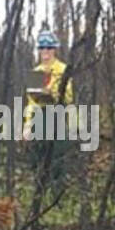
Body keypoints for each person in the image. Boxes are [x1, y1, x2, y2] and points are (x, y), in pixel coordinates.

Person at [23, 31, 73, 193]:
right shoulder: (36, 72)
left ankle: (57, 193)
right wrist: (28, 125)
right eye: (42, 48)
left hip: (58, 115)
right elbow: (31, 102)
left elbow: (69, 97)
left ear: (54, 50)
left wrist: (53, 94)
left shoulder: (63, 69)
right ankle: (40, 193)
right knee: (38, 155)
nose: (45, 51)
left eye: (49, 48)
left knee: (57, 157)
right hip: (39, 117)